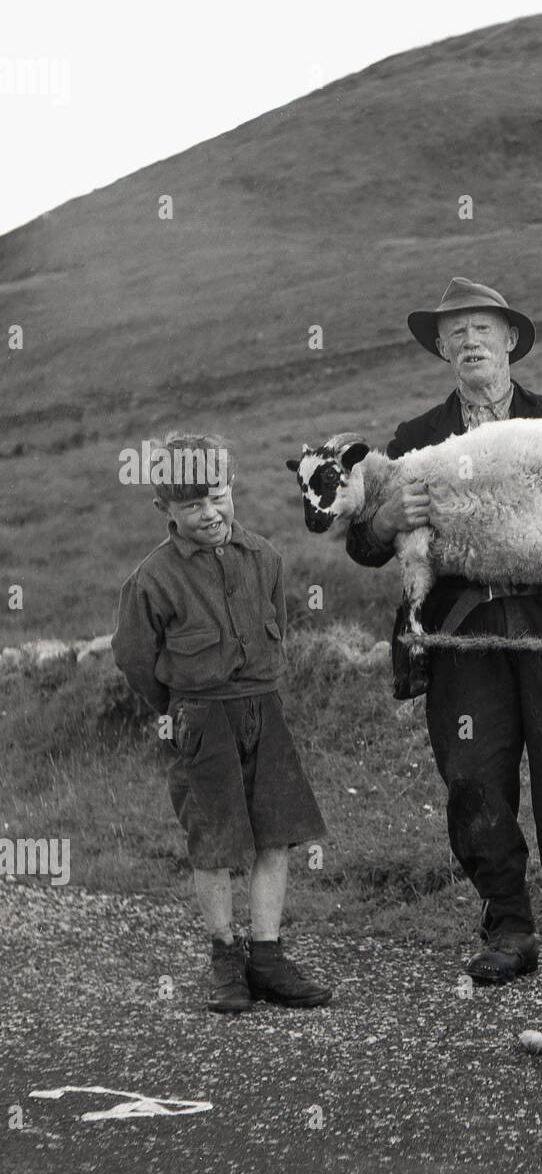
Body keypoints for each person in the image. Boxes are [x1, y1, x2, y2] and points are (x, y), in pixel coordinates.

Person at [347, 278, 542, 988]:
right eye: (455, 333)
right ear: (443, 349)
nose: (469, 342)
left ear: (510, 339)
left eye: (483, 329)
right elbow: (365, 543)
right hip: (462, 633)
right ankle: (507, 924)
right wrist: (385, 522)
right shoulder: (417, 438)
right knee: (473, 778)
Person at [112, 432, 331, 1014]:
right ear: (166, 511)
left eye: (218, 496)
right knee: (214, 841)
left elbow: (276, 625)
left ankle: (267, 957)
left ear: (232, 487)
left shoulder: (266, 558)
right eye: (191, 506)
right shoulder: (152, 580)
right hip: (199, 718)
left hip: (265, 710)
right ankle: (224, 958)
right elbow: (135, 656)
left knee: (275, 834)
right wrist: (179, 709)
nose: (209, 513)